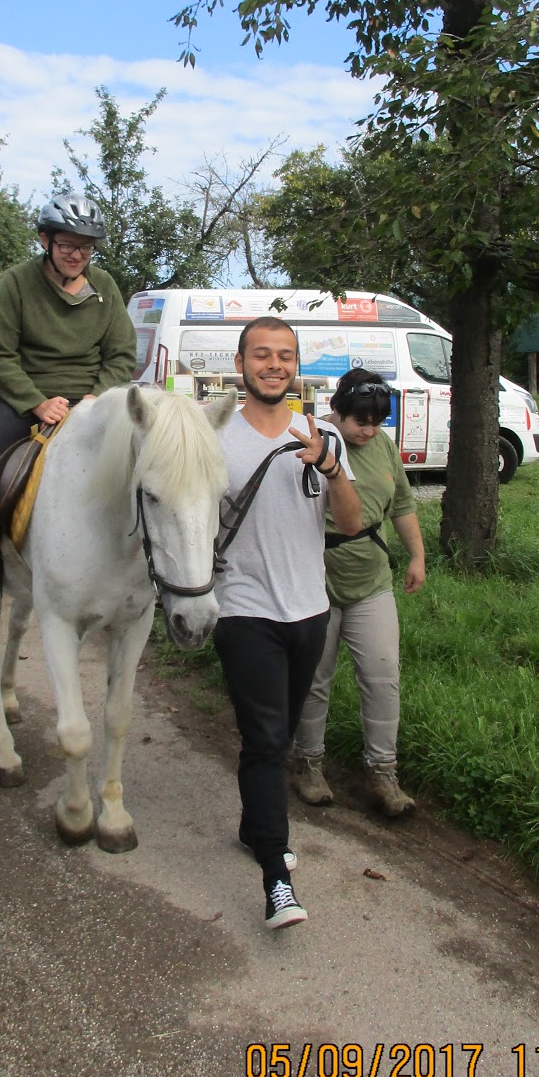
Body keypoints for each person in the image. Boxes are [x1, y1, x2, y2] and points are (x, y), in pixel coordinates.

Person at [213, 316, 363, 930]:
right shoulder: (214, 433)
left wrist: (329, 466)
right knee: (267, 741)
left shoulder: (322, 431)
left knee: (282, 731)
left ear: (296, 365)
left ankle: (255, 829)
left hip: (310, 612)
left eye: (285, 357)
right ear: (242, 362)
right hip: (243, 609)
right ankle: (278, 878)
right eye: (262, 355)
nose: (274, 365)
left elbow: (351, 525)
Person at [0, 195, 137, 625]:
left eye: (86, 247)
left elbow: (121, 355)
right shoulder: (16, 283)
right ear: (45, 240)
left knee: (150, 465)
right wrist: (36, 402)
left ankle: (150, 575)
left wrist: (94, 397)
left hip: (91, 402)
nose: (77, 255)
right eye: (68, 245)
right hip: (27, 399)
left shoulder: (105, 288)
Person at [290, 368, 426, 817]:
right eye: (360, 421)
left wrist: (417, 556)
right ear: (338, 411)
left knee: (383, 676)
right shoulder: (316, 439)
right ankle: (309, 765)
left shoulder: (382, 444)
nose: (369, 430)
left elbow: (402, 503)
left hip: (371, 578)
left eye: (377, 422)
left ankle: (383, 774)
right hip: (317, 579)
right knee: (315, 679)